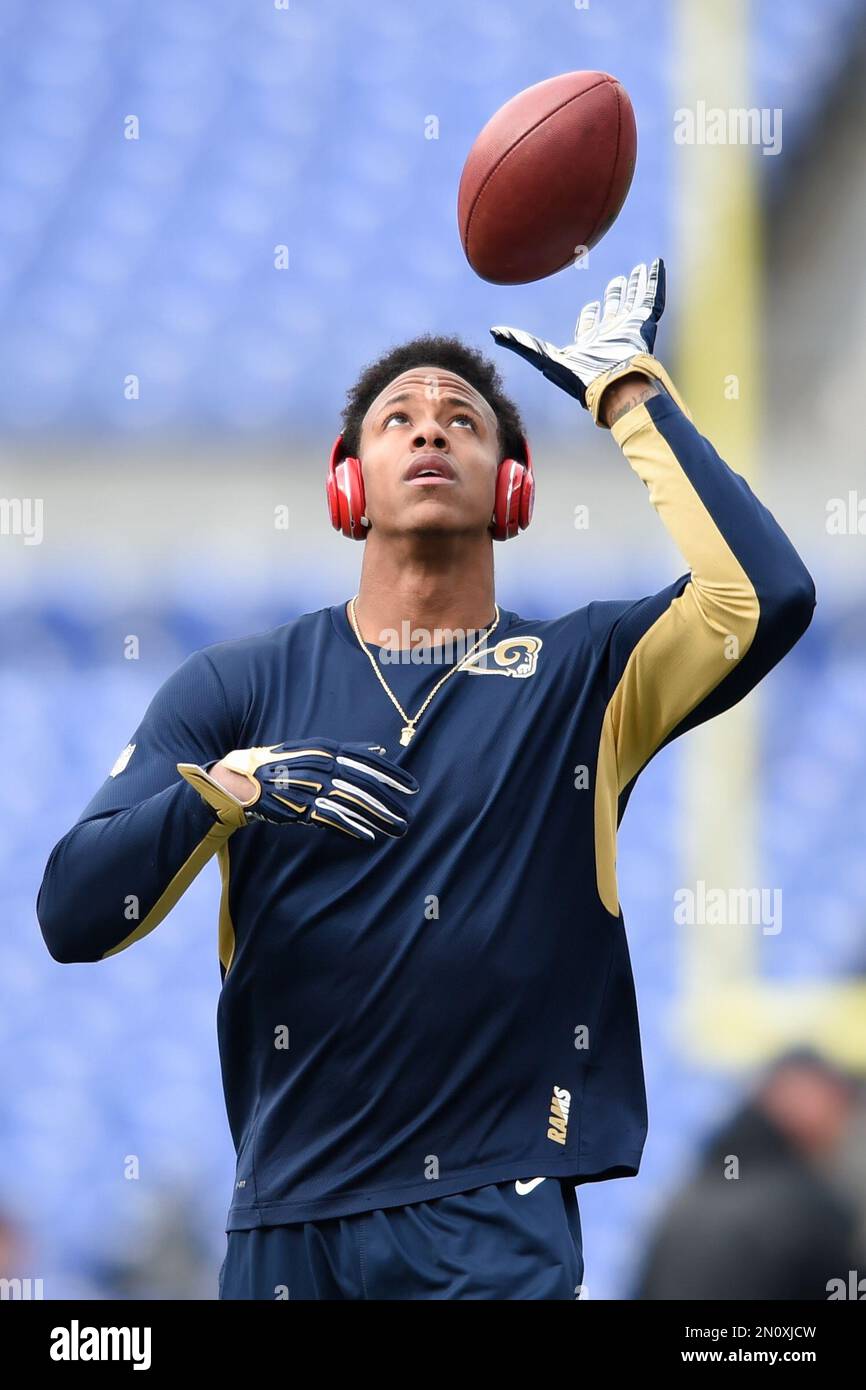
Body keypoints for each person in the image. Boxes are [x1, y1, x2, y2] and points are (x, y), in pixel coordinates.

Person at [37, 260, 816, 1299]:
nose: (429, 428)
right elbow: (73, 912)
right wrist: (225, 790)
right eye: (397, 417)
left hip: (490, 1215)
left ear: (510, 489)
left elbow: (763, 594)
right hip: (284, 1225)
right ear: (347, 482)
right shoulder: (237, 686)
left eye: (461, 418)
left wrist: (624, 389)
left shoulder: (583, 674)